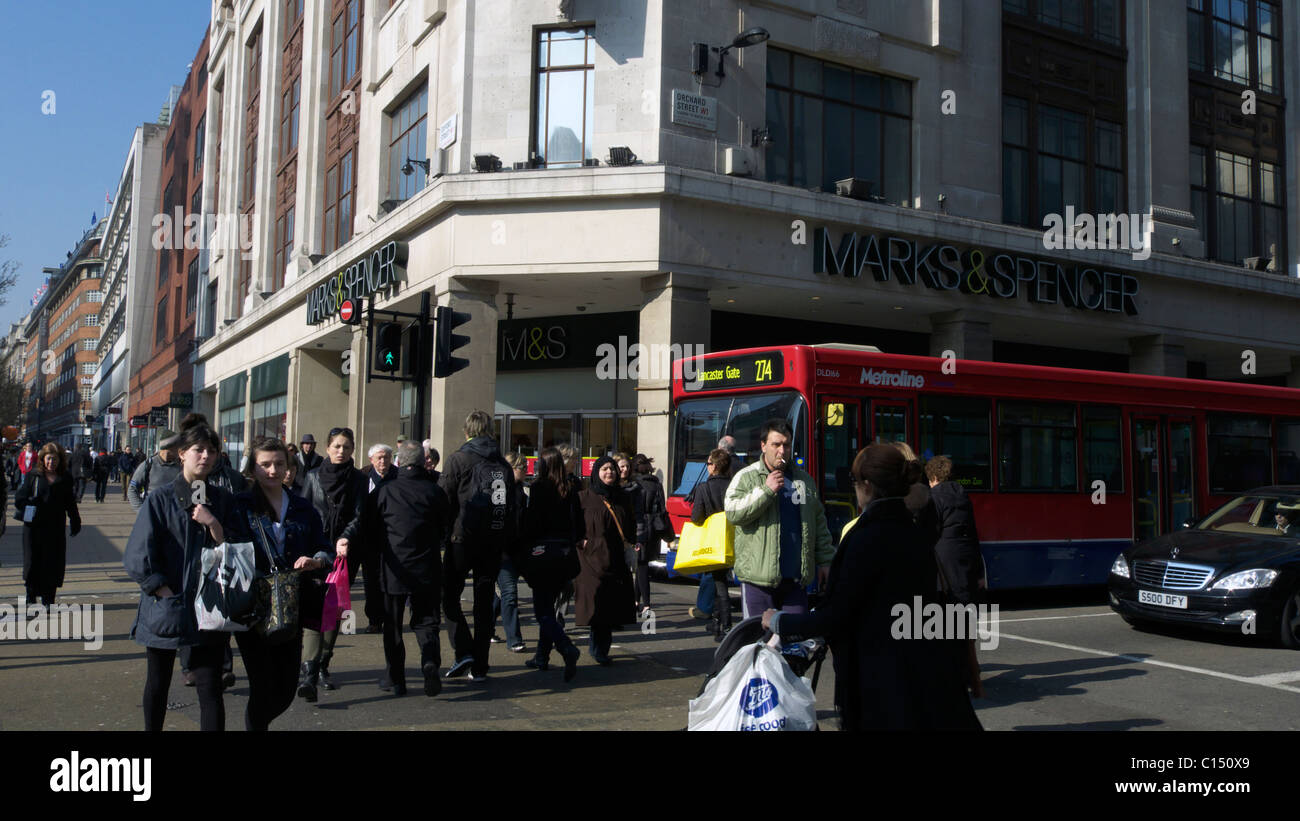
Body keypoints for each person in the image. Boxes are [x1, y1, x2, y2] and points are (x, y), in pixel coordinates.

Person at [762, 444, 982, 731]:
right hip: (924, 680)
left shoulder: (864, 539)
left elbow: (836, 615)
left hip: (878, 684)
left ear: (866, 485)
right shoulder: (916, 535)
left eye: (853, 481)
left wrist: (778, 620)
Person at [122, 416, 250, 731]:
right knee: (158, 683)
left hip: (209, 608)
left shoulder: (223, 500)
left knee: (210, 688)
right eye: (198, 450)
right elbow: (138, 553)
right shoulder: (160, 499)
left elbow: (239, 548)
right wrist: (161, 590)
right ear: (182, 453)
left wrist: (213, 523)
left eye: (211, 450)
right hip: (167, 605)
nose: (205, 456)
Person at [234, 436, 333, 729]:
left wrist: (316, 559)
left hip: (290, 603)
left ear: (289, 467)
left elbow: (324, 547)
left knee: (287, 688)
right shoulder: (241, 506)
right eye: (265, 465)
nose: (273, 470)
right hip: (253, 605)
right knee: (262, 684)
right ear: (253, 469)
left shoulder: (302, 507)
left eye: (279, 464)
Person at [724, 419, 833, 620]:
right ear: (763, 446)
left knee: (795, 645)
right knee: (761, 645)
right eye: (776, 445)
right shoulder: (746, 477)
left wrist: (826, 561)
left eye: (787, 444)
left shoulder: (803, 480)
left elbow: (818, 523)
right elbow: (732, 512)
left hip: (795, 582)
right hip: (758, 582)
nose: (782, 451)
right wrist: (766, 491)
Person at [439, 410, 517, 681]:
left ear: (467, 431)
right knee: (484, 602)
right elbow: (512, 506)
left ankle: (463, 649)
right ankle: (480, 665)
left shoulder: (458, 459)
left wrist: (443, 533)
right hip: (493, 541)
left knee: (449, 596)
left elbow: (443, 500)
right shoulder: (503, 465)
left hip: (462, 537)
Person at [374, 440, 449, 696]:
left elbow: (371, 525)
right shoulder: (434, 491)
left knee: (393, 625)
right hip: (427, 565)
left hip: (395, 567)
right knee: (427, 621)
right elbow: (444, 527)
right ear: (422, 461)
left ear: (399, 461)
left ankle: (396, 678)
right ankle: (429, 661)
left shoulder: (385, 490)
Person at [298, 426, 368, 697]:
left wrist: (346, 537)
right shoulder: (313, 477)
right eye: (337, 446)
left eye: (346, 447)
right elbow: (304, 512)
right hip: (317, 552)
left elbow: (360, 515)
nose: (341, 451)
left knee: (335, 611)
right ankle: (309, 672)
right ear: (327, 448)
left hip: (345, 554)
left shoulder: (359, 481)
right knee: (316, 608)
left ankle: (324, 664)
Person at [926, 455, 987, 699]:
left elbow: (932, 531)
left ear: (933, 477)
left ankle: (954, 676)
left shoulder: (934, 497)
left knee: (943, 622)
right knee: (964, 623)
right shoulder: (963, 496)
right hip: (966, 564)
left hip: (944, 563)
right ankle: (972, 675)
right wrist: (979, 572)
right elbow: (973, 535)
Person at [522, 447, 583, 680]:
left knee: (542, 610)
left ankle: (566, 647)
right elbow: (577, 522)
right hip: (565, 553)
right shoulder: (571, 488)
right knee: (550, 607)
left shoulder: (539, 487)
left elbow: (534, 522)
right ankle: (542, 656)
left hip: (544, 552)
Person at [575, 456, 637, 664]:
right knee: (595, 603)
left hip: (615, 559)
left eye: (612, 469)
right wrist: (581, 542)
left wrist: (632, 542)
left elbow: (630, 524)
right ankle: (597, 648)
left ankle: (601, 649)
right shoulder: (583, 497)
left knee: (609, 606)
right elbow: (572, 525)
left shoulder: (622, 498)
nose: (609, 473)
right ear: (596, 472)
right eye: (604, 469)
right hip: (590, 560)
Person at [15, 443, 81, 605]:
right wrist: (28, 505)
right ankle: (30, 595)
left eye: (55, 459)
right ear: (43, 459)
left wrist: (75, 520)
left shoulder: (65, 478)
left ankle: (48, 598)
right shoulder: (34, 476)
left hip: (55, 527)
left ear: (60, 460)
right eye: (49, 459)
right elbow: (19, 498)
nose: (52, 462)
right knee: (32, 561)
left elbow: (70, 503)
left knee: (53, 562)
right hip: (34, 527)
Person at [690, 436, 738, 622]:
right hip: (732, 536)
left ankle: (724, 621)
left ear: (714, 466)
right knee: (720, 578)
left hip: (713, 539)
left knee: (718, 580)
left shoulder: (703, 488)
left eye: (708, 463)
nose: (707, 465)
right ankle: (718, 619)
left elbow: (696, 517)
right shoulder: (734, 485)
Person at [359, 443, 396, 634]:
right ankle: (374, 619)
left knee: (389, 579)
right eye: (379, 458)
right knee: (371, 580)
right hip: (369, 538)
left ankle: (390, 617)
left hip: (392, 537)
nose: (383, 461)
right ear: (371, 460)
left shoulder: (398, 477)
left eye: (387, 457)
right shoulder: (363, 477)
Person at [492, 451, 527, 653]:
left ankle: (487, 627)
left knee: (501, 596)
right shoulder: (500, 490)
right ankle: (514, 638)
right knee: (509, 593)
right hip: (502, 550)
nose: (525, 471)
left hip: (517, 548)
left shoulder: (521, 490)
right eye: (522, 467)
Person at [630, 453, 670, 619]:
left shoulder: (634, 484)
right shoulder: (656, 484)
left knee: (641, 565)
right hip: (653, 527)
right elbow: (662, 507)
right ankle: (636, 602)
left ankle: (645, 604)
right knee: (643, 563)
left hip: (639, 526)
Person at [128, 431, 182, 511]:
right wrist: (142, 511)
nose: (179, 451)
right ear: (167, 448)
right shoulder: (148, 465)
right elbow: (132, 489)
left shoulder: (182, 466)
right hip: (154, 516)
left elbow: (196, 486)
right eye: (176, 448)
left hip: (176, 517)